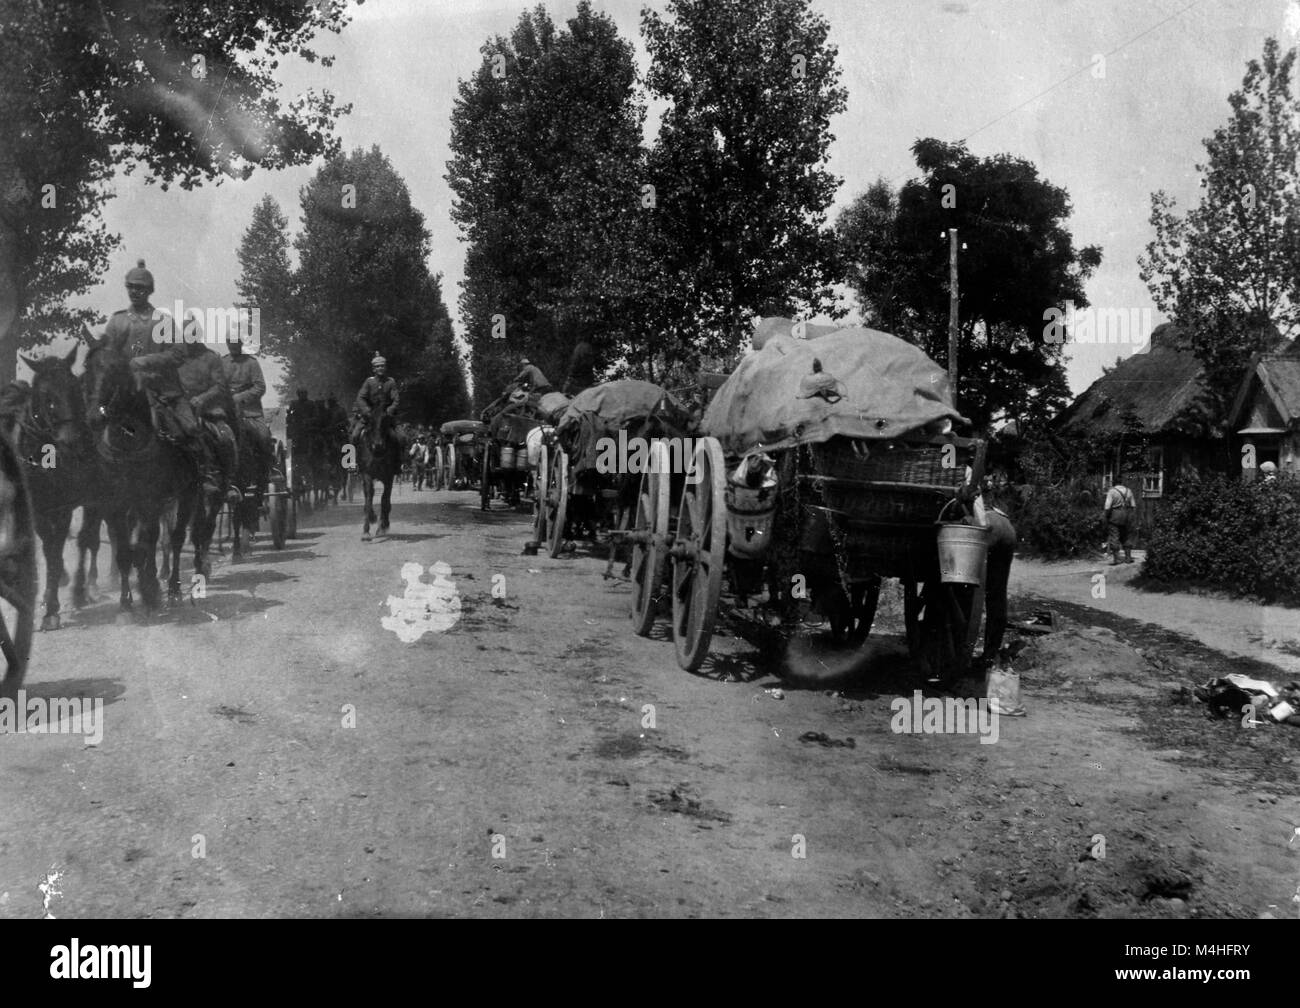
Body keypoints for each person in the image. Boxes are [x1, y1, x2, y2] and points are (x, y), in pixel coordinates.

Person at [129, 310, 239, 503]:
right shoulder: (174, 357)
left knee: (224, 437)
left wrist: (202, 398)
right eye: (187, 334)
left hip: (209, 411)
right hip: (175, 406)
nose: (190, 338)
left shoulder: (211, 357)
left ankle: (215, 475)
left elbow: (220, 386)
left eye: (194, 333)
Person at [222, 330, 273, 480]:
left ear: (241, 343)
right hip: (227, 411)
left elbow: (260, 387)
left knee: (263, 437)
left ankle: (267, 469)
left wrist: (240, 397)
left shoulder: (251, 363)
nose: (233, 346)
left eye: (236, 343)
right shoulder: (222, 362)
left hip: (251, 412)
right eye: (230, 343)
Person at [104, 259, 172, 358]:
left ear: (150, 290)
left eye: (139, 287)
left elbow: (178, 353)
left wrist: (147, 361)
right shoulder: (117, 320)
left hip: (155, 372)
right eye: (130, 287)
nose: (134, 291)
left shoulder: (163, 321)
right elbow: (106, 354)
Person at [353, 354, 399, 445]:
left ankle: (399, 458)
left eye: (382, 366)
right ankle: (353, 458)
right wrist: (366, 410)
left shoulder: (390, 382)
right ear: (374, 369)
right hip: (370, 416)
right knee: (355, 436)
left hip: (386, 416)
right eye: (377, 366)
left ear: (385, 368)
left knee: (401, 438)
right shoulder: (369, 382)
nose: (380, 368)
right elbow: (360, 398)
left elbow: (396, 399)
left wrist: (390, 409)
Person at [1103, 480, 1137, 565]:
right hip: (1126, 515)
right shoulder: (1129, 491)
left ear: (1114, 482)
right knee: (1126, 536)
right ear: (1122, 482)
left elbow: (1107, 507)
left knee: (1114, 536)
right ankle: (1128, 557)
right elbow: (1133, 505)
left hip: (1115, 515)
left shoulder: (1112, 491)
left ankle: (1117, 559)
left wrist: (1106, 516)